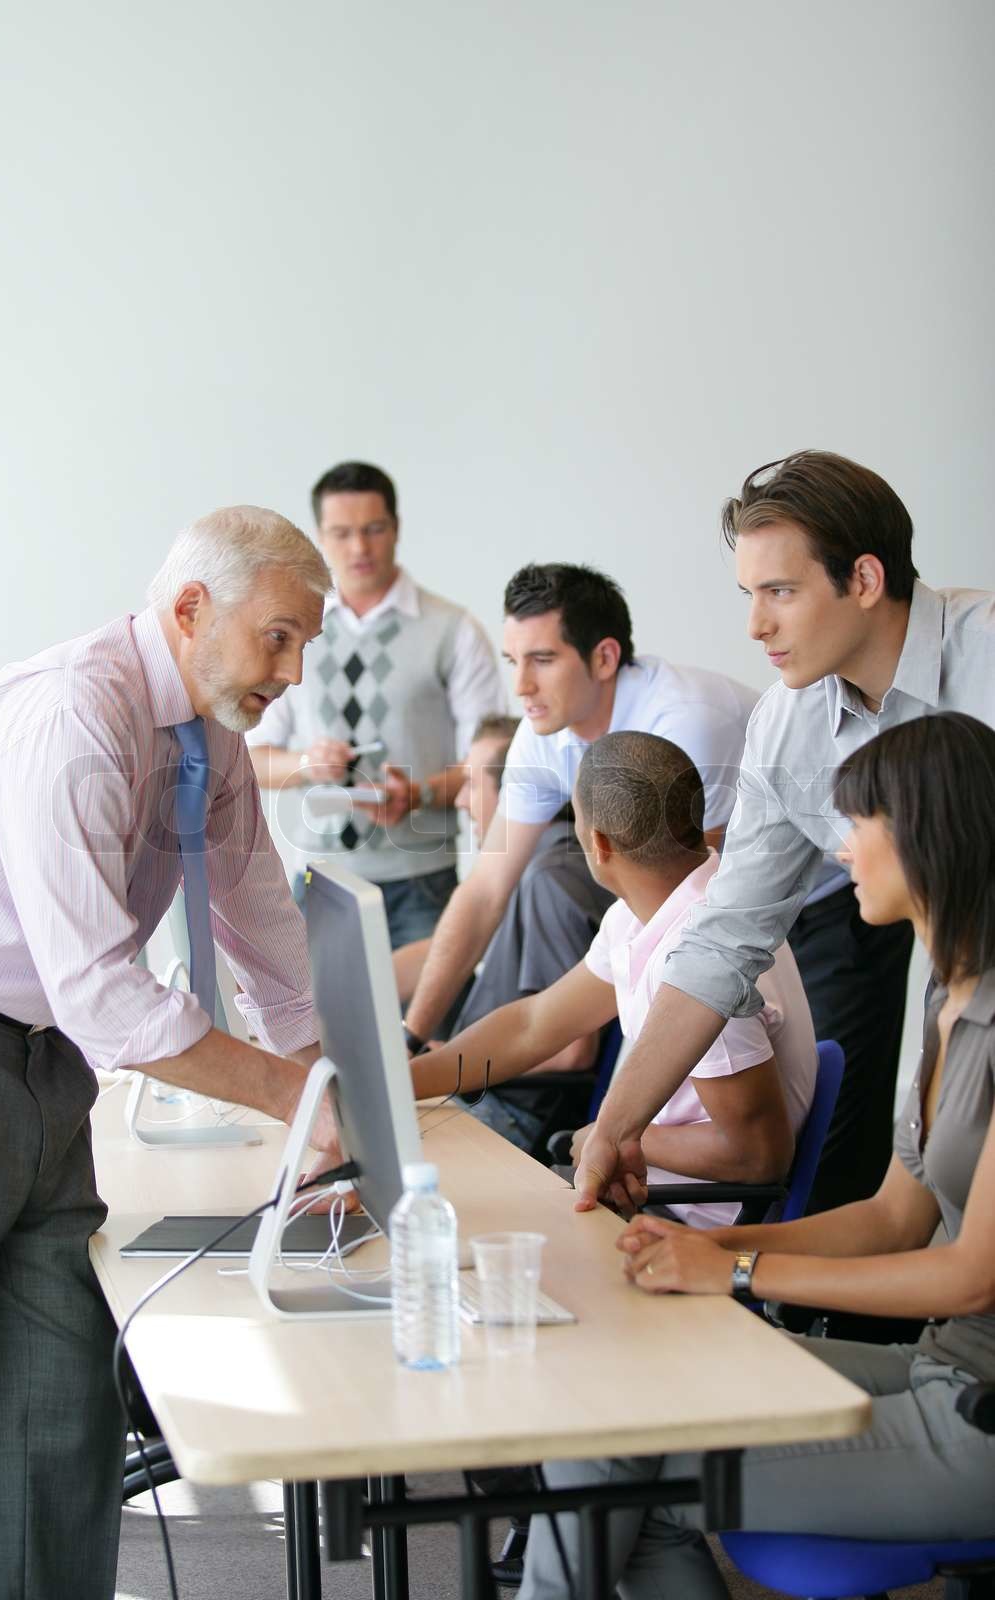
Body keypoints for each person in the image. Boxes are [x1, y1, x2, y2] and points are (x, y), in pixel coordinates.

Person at [0, 506, 340, 1599]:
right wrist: (292, 1096)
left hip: (44, 1069)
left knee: (56, 1418)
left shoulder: (213, 742)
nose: (293, 672)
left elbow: (268, 933)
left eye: (305, 643)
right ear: (191, 608)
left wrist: (337, 1104)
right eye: (279, 637)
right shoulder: (73, 715)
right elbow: (103, 990)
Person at [519, 712, 995, 1600]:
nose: (841, 849)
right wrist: (704, 1250)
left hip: (978, 1420)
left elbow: (971, 1276)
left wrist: (738, 1276)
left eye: (861, 824)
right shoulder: (946, 999)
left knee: (619, 1469)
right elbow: (891, 1219)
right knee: (603, 1420)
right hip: (938, 1364)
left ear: (928, 836)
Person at [576, 452, 995, 1243]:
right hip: (959, 993)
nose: (755, 626)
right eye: (749, 595)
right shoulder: (788, 722)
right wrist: (615, 1125)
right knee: (926, 1226)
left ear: (863, 579)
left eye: (780, 592)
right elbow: (724, 939)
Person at [413, 731, 816, 1219]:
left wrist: (611, 1133)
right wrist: (401, 1083)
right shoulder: (644, 914)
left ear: (598, 844)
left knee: (463, 1218)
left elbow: (758, 1155)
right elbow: (533, 1025)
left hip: (684, 1218)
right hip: (644, 1190)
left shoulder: (702, 957)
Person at [402, 562, 759, 1052]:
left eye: (543, 660)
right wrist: (411, 1037)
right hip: (714, 906)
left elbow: (691, 901)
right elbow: (485, 891)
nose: (521, 686)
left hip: (813, 899)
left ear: (605, 658)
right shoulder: (542, 733)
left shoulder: (684, 725)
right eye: (514, 661)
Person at [247, 460, 504, 947]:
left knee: (427, 1003)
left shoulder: (453, 630)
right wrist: (306, 765)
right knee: (310, 1003)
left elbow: (490, 765)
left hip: (422, 881)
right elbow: (251, 761)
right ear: (320, 538)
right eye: (342, 533)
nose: (359, 548)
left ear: (397, 528)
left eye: (373, 529)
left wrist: (419, 794)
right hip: (320, 879)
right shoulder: (292, 632)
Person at [396, 712, 615, 1152]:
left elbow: (572, 1051)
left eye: (472, 784)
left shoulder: (551, 880)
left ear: (515, 791)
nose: (461, 801)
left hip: (512, 1111)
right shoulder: (533, 868)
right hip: (484, 1089)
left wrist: (449, 1064)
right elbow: (442, 951)